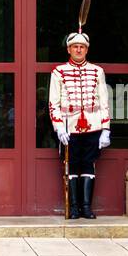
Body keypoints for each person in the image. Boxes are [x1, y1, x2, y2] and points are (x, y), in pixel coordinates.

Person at [48, 31, 110, 219]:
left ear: (87, 49)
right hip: (69, 128)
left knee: (89, 165)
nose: (78, 49)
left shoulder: (97, 71)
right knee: (71, 165)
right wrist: (58, 127)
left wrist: (106, 129)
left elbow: (104, 101)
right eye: (75, 46)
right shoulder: (58, 72)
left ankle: (86, 207)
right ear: (68, 49)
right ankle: (74, 207)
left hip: (93, 126)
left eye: (82, 47)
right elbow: (53, 103)